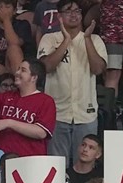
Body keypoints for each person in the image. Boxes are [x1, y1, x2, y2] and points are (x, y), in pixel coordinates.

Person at [36, 0, 107, 163]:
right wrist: (66, 40)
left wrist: (87, 39)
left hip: (85, 115)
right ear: (59, 16)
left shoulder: (94, 39)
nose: (73, 14)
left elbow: (98, 69)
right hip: (56, 114)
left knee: (84, 164)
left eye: (77, 11)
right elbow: (46, 67)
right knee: (56, 165)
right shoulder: (49, 39)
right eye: (68, 11)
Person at [0, 59, 57, 157]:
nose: (17, 72)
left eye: (23, 70)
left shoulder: (46, 101)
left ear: (34, 77)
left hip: (28, 160)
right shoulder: (6, 96)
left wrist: (9, 123)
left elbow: (41, 132)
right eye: (18, 69)